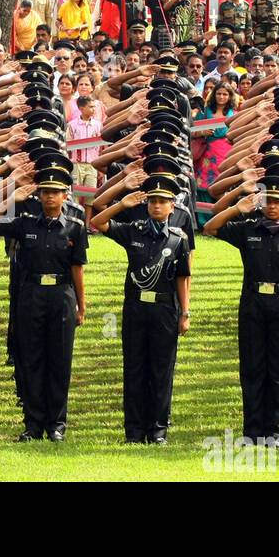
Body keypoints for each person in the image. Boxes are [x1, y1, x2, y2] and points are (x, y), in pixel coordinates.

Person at [203, 172, 279, 446]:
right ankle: (252, 430)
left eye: (278, 201)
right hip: (253, 303)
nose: (272, 206)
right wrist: (237, 208)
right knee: (252, 368)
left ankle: (276, 431)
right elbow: (210, 228)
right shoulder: (248, 228)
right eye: (268, 201)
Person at [0, 167, 87, 442]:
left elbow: (77, 268)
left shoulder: (75, 226)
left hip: (62, 294)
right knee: (31, 359)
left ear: (65, 196)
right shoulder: (27, 222)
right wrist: (13, 199)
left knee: (59, 360)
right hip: (31, 295)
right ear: (38, 195)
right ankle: (33, 424)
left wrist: (82, 305)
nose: (50, 197)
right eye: (45, 192)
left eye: (55, 192)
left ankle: (56, 425)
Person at [90, 175, 192, 444]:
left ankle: (157, 430)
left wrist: (185, 313)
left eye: (162, 202)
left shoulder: (178, 239)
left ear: (172, 206)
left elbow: (183, 278)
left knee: (161, 371)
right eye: (153, 201)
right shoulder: (134, 230)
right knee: (134, 369)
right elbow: (97, 222)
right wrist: (122, 204)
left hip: (164, 309)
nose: (157, 206)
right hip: (136, 308)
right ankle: (134, 431)